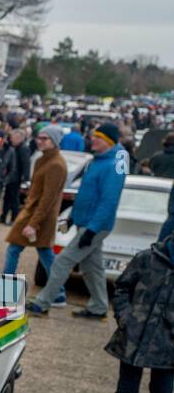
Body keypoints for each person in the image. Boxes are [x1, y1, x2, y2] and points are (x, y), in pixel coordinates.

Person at [29, 122, 128, 319]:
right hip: (87, 223)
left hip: (95, 226)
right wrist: (73, 219)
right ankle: (99, 307)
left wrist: (91, 230)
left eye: (97, 137)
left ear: (107, 141)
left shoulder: (112, 167)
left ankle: (43, 303)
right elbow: (85, 194)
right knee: (93, 269)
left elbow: (108, 202)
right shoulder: (97, 161)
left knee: (60, 263)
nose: (92, 140)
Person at [100, 233, 174, 393]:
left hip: (168, 346)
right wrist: (125, 318)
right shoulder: (146, 259)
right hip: (134, 339)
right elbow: (122, 287)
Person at [10, 125, 69, 309]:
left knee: (18, 250)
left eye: (45, 138)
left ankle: (2, 289)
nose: (40, 141)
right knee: (43, 253)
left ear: (54, 141)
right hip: (32, 213)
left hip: (39, 217)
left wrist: (34, 223)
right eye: (39, 137)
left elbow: (48, 199)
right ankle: (58, 293)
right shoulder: (43, 160)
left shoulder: (56, 164)